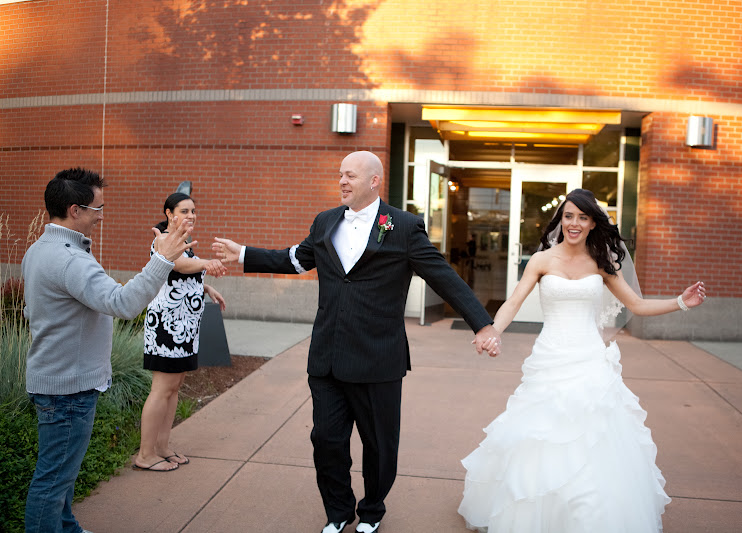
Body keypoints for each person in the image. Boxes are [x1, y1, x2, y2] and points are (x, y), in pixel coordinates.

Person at [212, 151, 502, 533]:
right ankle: (338, 511)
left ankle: (372, 511)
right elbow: (297, 260)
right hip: (328, 356)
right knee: (326, 440)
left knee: (379, 446)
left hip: (377, 358)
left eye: (350, 175)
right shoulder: (326, 221)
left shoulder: (403, 226)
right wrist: (245, 254)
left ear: (375, 180)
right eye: (340, 175)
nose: (343, 182)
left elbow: (442, 276)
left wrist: (482, 325)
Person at [458, 188, 706, 533]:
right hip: (550, 358)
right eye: (569, 215)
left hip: (589, 359)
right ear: (561, 219)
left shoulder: (601, 263)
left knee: (593, 435)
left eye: (582, 217)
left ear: (593, 223)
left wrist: (680, 302)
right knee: (542, 435)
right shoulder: (542, 260)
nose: (574, 223)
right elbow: (513, 302)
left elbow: (637, 305)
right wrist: (493, 331)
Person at [22, 168, 195, 533]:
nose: (101, 216)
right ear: (75, 210)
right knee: (52, 481)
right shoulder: (70, 258)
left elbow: (32, 310)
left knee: (60, 477)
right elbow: (123, 303)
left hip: (55, 381)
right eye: (97, 208)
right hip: (67, 388)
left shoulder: (41, 249)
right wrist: (161, 259)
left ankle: (67, 528)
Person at [134, 193, 227, 472]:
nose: (191, 215)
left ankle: (162, 447)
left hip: (185, 329)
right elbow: (178, 266)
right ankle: (145, 454)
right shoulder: (163, 238)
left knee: (173, 390)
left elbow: (180, 278)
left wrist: (206, 288)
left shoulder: (184, 243)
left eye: (193, 211)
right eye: (184, 210)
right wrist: (206, 263)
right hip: (166, 327)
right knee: (161, 389)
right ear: (169, 213)